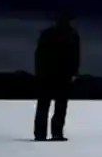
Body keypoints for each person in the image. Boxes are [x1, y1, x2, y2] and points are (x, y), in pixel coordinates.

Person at [33, 12, 80, 141]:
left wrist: (39, 72)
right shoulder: (71, 35)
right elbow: (75, 57)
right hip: (59, 75)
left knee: (47, 105)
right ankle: (54, 133)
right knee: (57, 106)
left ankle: (42, 134)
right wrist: (74, 73)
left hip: (52, 75)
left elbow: (39, 55)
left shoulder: (49, 34)